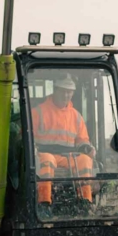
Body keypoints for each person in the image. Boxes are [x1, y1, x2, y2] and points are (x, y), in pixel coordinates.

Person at [31, 75, 96, 205]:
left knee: (85, 160)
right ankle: (44, 203)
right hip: (43, 154)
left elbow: (81, 139)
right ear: (55, 90)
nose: (66, 95)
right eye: (63, 91)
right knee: (47, 161)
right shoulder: (38, 112)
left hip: (68, 156)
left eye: (69, 92)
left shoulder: (76, 116)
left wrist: (86, 148)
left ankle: (85, 202)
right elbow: (26, 137)